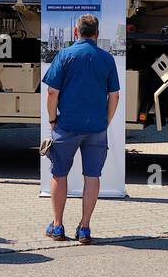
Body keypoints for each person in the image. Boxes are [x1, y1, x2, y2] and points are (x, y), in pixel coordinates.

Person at [42, 13, 120, 244]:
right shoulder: (107, 59)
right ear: (96, 34)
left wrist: (52, 120)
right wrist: (106, 121)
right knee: (92, 176)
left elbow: (52, 92)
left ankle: (57, 227)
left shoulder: (64, 55)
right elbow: (114, 95)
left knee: (59, 173)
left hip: (66, 127)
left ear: (76, 32)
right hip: (96, 128)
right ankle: (84, 228)